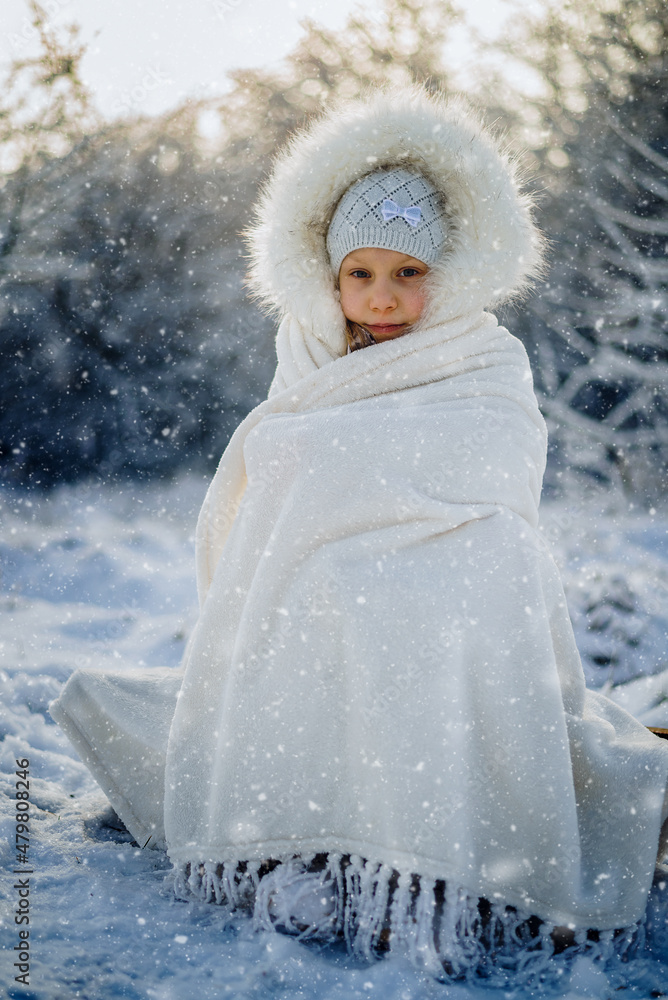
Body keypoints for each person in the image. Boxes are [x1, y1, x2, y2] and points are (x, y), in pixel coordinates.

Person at [50, 83, 668, 984]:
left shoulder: (483, 353)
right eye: (362, 274)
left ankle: (436, 847)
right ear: (330, 276)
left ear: (446, 274)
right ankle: (315, 832)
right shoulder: (305, 348)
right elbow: (288, 463)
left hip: (451, 556)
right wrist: (337, 477)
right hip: (328, 564)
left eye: (409, 274)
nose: (384, 298)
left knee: (454, 594)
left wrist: (366, 473)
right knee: (329, 599)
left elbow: (494, 460)